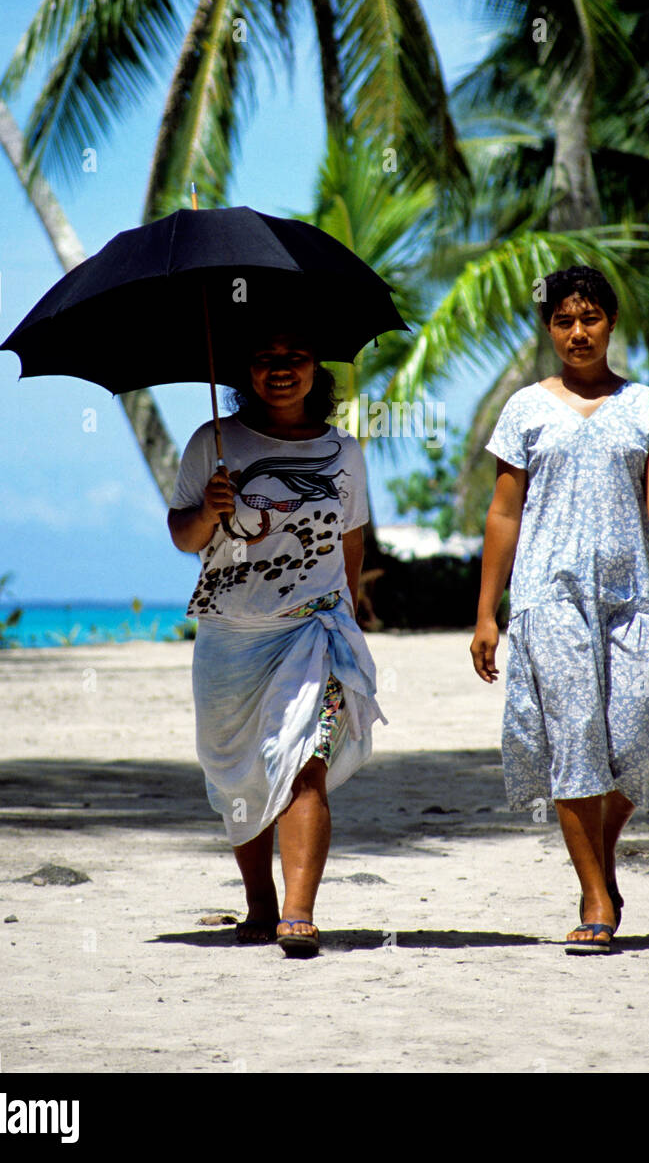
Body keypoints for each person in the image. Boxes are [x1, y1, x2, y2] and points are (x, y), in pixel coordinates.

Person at [470, 266, 649, 954]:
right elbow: (502, 514)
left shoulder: (645, 404)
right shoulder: (525, 409)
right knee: (574, 744)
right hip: (547, 598)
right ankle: (596, 896)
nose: (576, 332)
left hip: (632, 598)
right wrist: (487, 613)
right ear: (548, 329)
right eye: (563, 321)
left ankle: (600, 851)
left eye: (588, 318)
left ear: (609, 322)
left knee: (631, 735)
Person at [167, 329, 386, 957]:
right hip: (228, 636)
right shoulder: (212, 442)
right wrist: (210, 510)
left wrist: (348, 617)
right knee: (235, 775)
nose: (281, 370)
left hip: (310, 631)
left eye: (294, 357)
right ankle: (258, 903)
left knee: (303, 764)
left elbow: (351, 542)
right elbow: (184, 537)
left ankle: (298, 911)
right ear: (246, 371)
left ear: (317, 368)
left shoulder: (343, 451)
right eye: (264, 358)